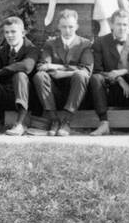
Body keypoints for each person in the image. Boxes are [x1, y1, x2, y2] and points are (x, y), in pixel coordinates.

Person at [31, 9, 94, 137]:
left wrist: (59, 69)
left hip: (76, 93)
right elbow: (42, 66)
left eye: (71, 27)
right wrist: (66, 69)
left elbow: (86, 70)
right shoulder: (51, 44)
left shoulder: (84, 44)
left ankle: (66, 121)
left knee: (80, 75)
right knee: (40, 76)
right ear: (59, 27)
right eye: (64, 27)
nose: (67, 30)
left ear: (76, 26)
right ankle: (54, 120)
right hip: (54, 92)